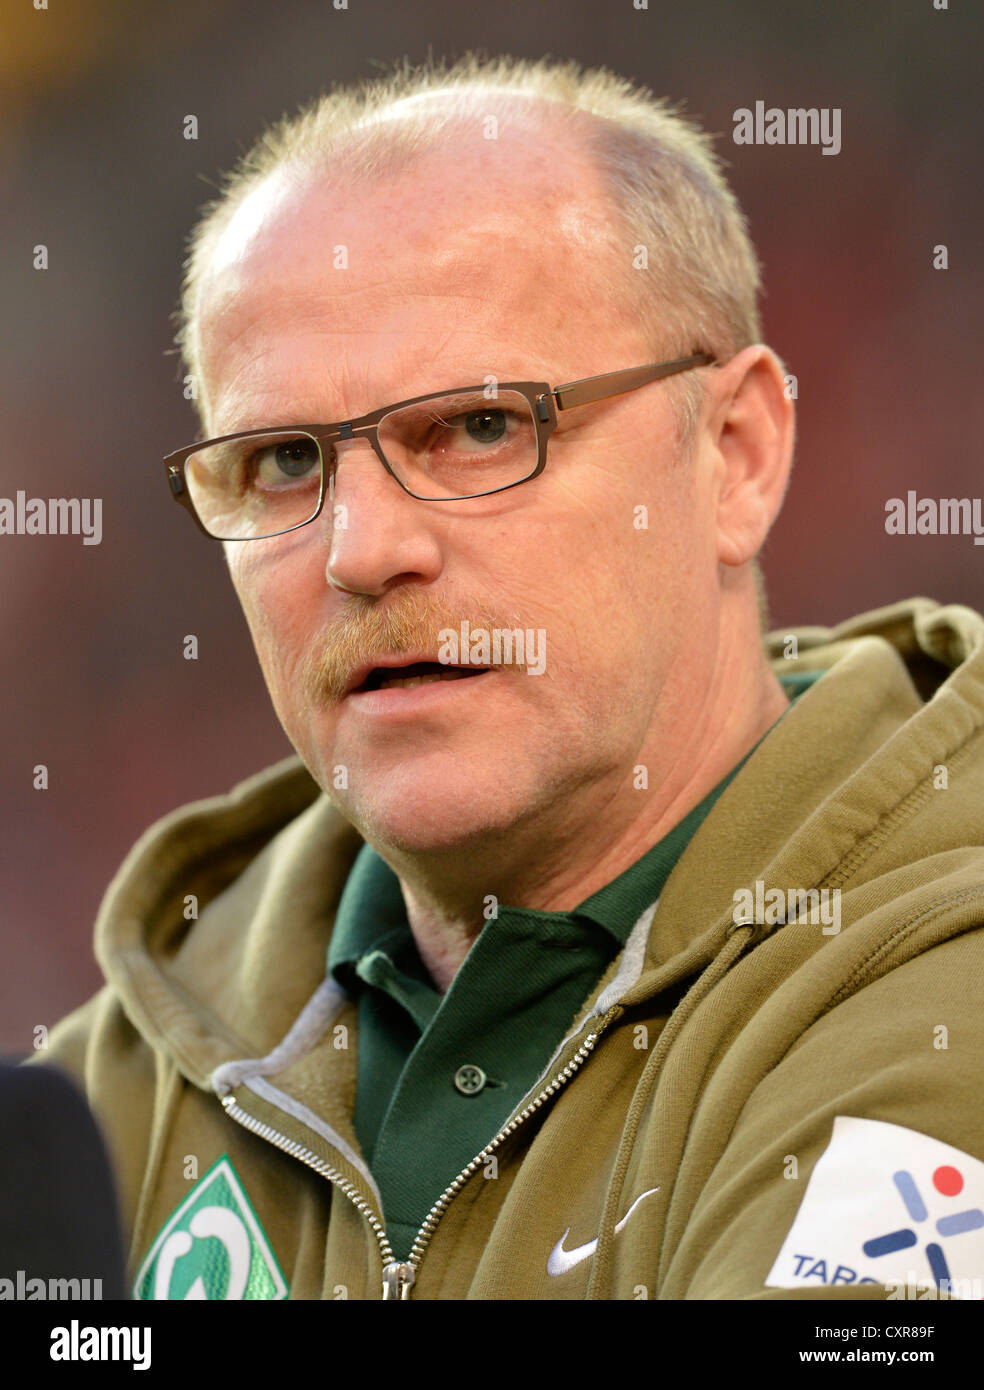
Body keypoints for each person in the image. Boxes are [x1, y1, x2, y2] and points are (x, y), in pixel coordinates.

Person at [29, 52, 984, 1301]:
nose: (363, 549)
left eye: (481, 426)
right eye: (280, 461)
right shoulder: (118, 1090)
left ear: (736, 455)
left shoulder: (935, 993)